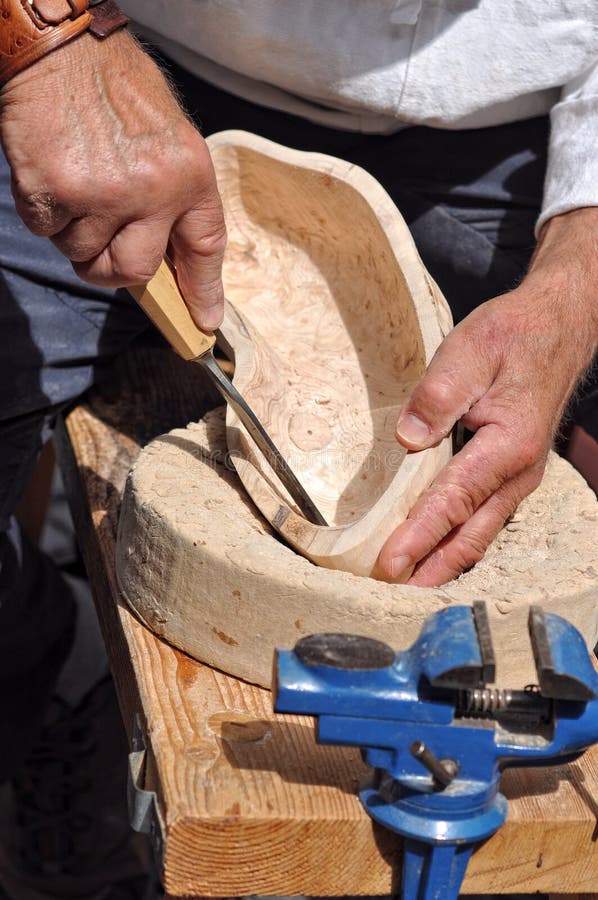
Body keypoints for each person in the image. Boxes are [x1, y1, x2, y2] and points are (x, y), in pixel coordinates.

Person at [0, 1, 596, 894]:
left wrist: (576, 285)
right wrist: (45, 42)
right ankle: (56, 678)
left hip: (511, 132)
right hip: (128, 60)